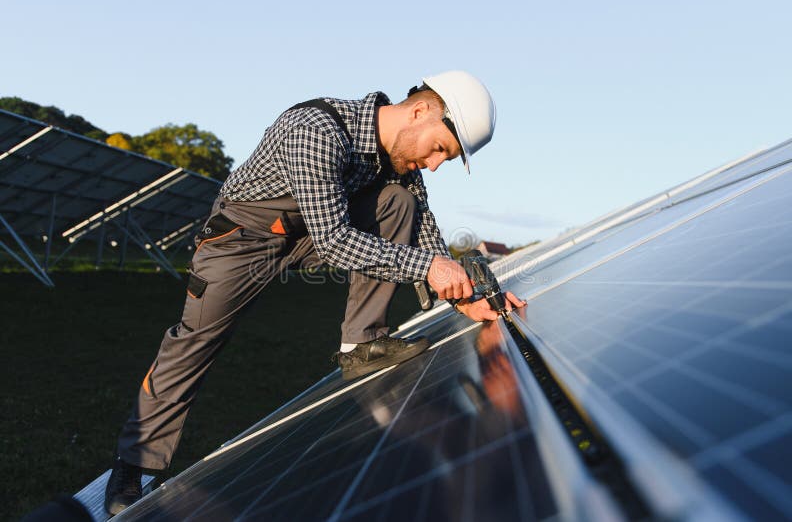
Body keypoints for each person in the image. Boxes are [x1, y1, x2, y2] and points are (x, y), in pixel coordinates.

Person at [104, 70, 525, 515]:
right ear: (419, 111)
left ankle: (361, 343)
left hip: (309, 232)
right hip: (241, 237)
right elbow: (336, 242)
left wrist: (463, 296)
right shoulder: (315, 130)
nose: (435, 163)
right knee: (195, 340)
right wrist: (429, 267)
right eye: (440, 148)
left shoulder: (398, 162)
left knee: (400, 203)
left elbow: (420, 225)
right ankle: (134, 463)